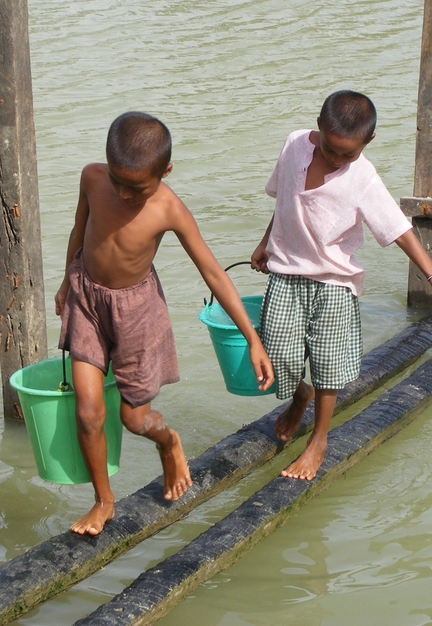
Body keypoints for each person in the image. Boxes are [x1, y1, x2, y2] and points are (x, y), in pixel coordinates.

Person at [56, 111, 275, 536]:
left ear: (166, 171)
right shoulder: (91, 178)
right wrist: (66, 280)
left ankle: (169, 442)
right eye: (117, 181)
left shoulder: (168, 208)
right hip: (87, 298)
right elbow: (78, 229)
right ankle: (103, 501)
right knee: (87, 412)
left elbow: (213, 272)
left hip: (137, 313)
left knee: (135, 420)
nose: (123, 194)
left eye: (136, 188)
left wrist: (252, 338)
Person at [250, 90, 432, 481]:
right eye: (331, 149)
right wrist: (266, 242)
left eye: (348, 154)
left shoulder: (362, 177)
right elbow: (285, 202)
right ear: (318, 129)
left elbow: (400, 230)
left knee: (328, 364)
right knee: (278, 352)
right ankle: (300, 398)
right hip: (286, 271)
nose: (337, 159)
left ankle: (319, 440)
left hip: (334, 278)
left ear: (368, 143)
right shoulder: (295, 145)